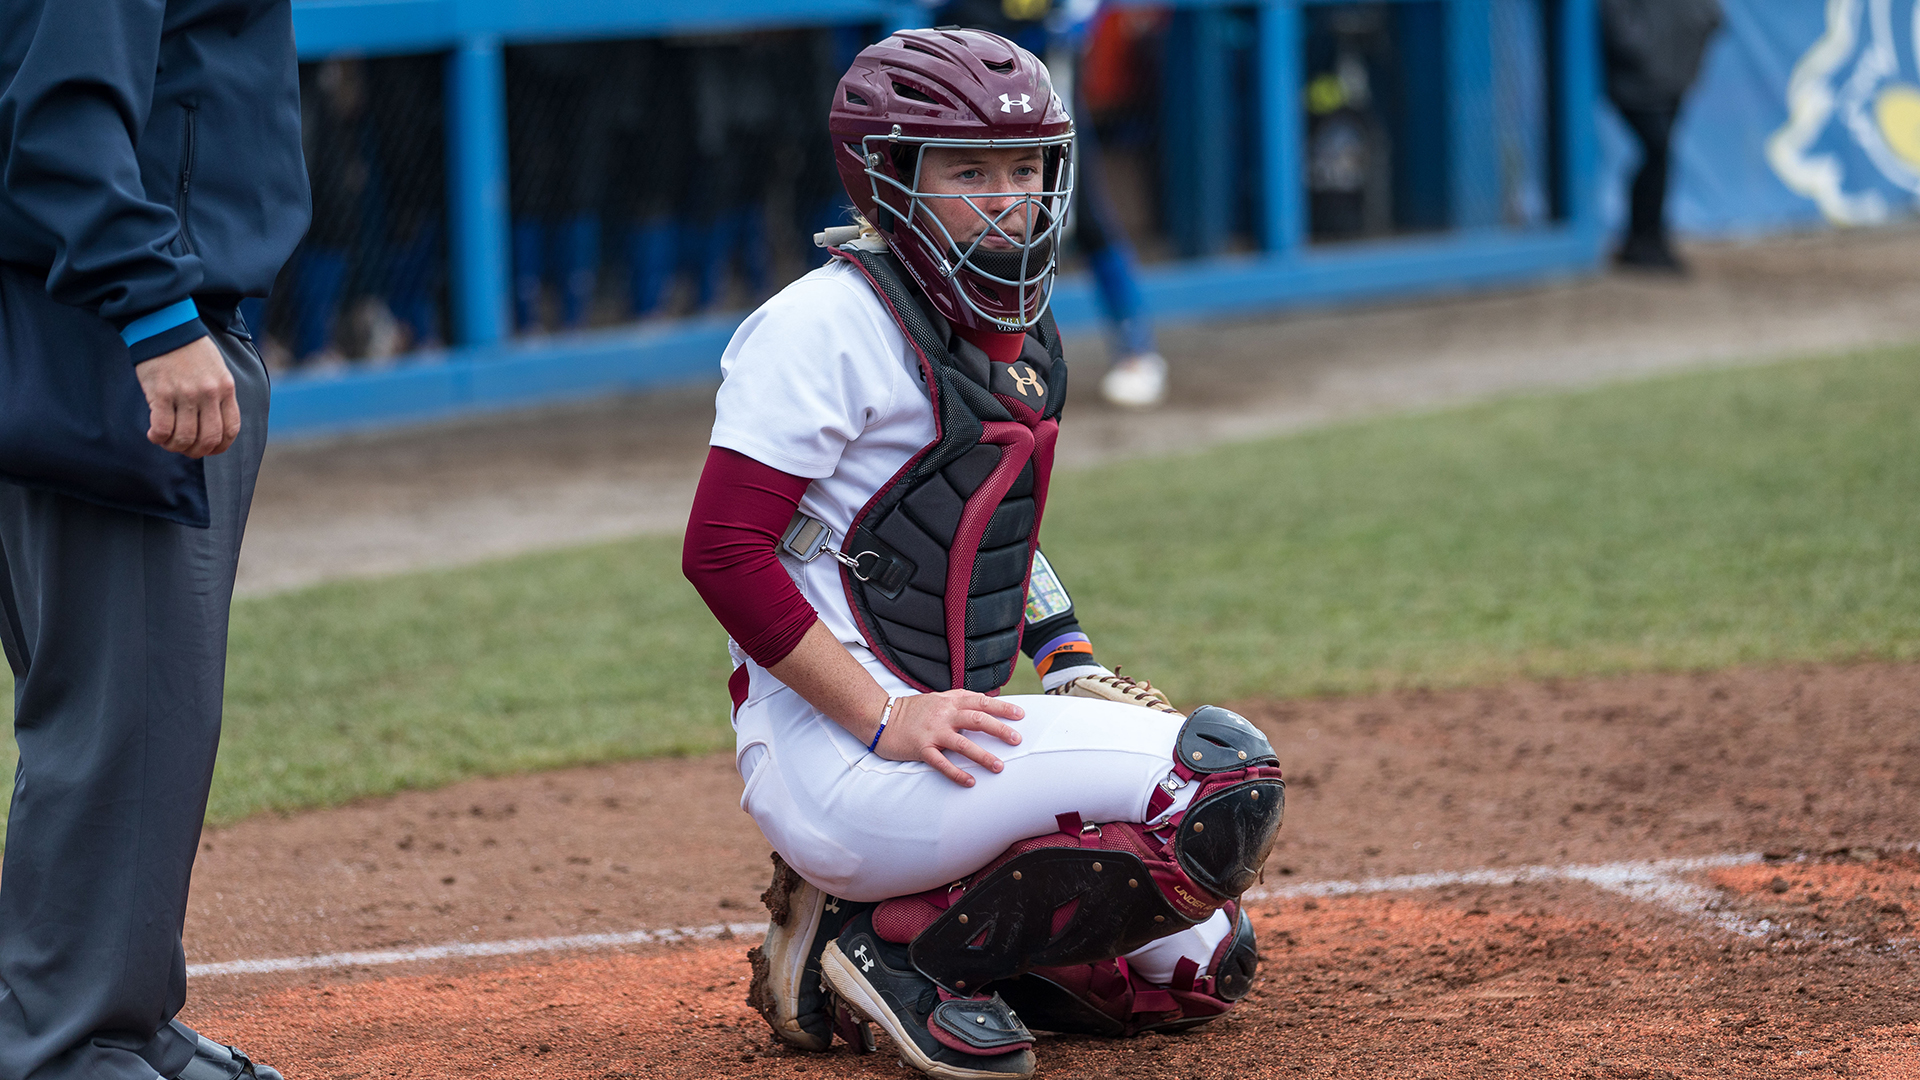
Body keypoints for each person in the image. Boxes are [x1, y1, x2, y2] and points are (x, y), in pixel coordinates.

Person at [681, 29, 1284, 1079]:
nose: (1007, 196)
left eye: (1026, 167)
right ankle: (890, 950)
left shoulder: (1016, 319)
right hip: (841, 752)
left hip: (948, 743)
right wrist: (882, 713)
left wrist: (1070, 659)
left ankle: (889, 930)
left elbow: (991, 517)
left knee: (1197, 961)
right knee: (1219, 786)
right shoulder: (817, 326)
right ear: (887, 176)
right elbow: (723, 551)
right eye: (968, 170)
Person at [0, 0, 309, 1078]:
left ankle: (115, 1017)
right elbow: (59, 117)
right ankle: (72, 1043)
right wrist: (154, 312)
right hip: (114, 337)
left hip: (114, 316)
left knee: (143, 712)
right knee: (117, 716)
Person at [1600, 0, 1723, 272]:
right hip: (1636, 78)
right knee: (1656, 150)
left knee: (1661, 154)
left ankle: (1649, 240)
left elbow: (1711, 14)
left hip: (1674, 74)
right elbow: (1615, 17)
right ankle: (1642, 242)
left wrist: (1693, 38)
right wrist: (1643, 52)